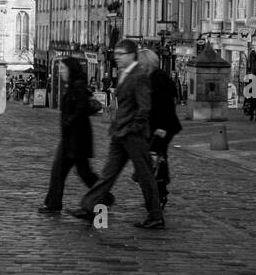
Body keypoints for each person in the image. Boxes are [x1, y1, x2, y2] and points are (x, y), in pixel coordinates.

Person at [70, 40, 164, 230]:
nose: (117, 57)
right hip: (120, 132)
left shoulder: (139, 75)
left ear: (131, 55)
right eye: (116, 54)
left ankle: (155, 216)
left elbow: (144, 107)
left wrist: (134, 127)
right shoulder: (124, 73)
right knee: (108, 174)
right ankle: (89, 207)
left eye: (121, 54)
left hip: (133, 134)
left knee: (145, 176)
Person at [39, 58, 108, 214]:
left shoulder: (78, 86)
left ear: (71, 70)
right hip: (71, 137)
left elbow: (82, 107)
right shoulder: (73, 85)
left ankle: (104, 196)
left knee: (83, 173)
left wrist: (70, 120)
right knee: (60, 171)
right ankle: (53, 203)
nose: (61, 71)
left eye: (63, 68)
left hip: (77, 138)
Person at [138, 49, 182, 209]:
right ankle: (159, 193)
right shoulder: (154, 78)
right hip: (159, 126)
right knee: (158, 158)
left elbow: (165, 105)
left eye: (140, 63)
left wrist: (161, 128)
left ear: (146, 64)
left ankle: (158, 194)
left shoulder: (158, 80)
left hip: (162, 127)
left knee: (155, 159)